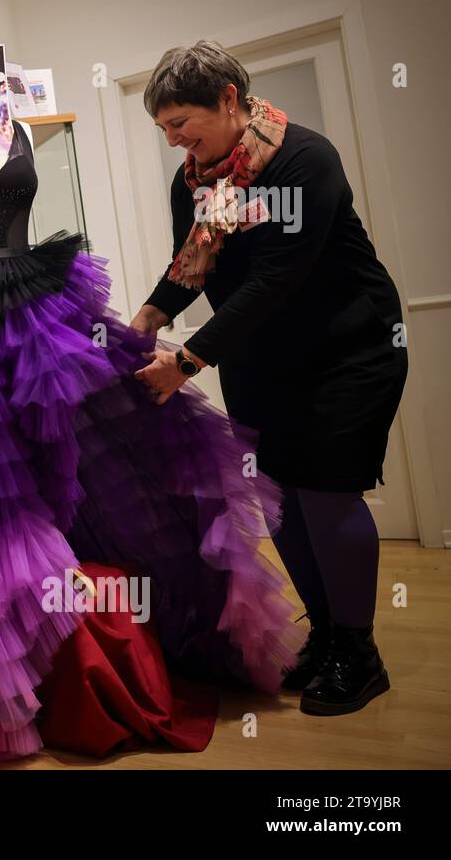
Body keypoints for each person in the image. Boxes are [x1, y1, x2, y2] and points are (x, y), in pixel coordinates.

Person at [0, 118, 299, 768]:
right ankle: (4, 693)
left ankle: (183, 628)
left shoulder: (13, 126)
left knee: (123, 451)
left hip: (47, 309)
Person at [131, 40, 408, 716]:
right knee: (279, 496)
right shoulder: (192, 181)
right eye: (164, 129)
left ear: (229, 99)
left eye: (181, 123)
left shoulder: (304, 160)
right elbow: (187, 266)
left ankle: (360, 654)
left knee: (326, 492)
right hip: (259, 355)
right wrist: (141, 322)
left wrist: (187, 362)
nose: (173, 142)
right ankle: (330, 636)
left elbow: (273, 281)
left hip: (347, 351)